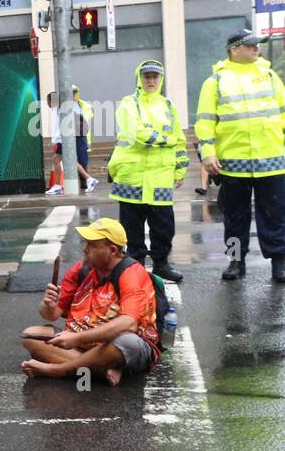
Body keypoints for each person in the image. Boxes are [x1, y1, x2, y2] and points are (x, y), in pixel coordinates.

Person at [20, 218, 161, 386]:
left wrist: (77, 338)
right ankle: (99, 369)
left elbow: (128, 323)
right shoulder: (80, 270)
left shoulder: (132, 273)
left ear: (113, 250)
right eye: (86, 243)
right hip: (83, 345)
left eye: (92, 245)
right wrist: (48, 304)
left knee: (129, 344)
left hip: (118, 347)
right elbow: (51, 315)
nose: (85, 249)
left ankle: (58, 370)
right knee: (30, 335)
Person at [195, 28, 285, 282]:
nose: (258, 49)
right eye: (252, 45)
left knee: (276, 215)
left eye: (258, 45)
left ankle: (279, 263)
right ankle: (236, 261)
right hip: (233, 163)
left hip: (272, 160)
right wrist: (208, 153)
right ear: (235, 49)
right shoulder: (215, 81)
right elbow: (205, 122)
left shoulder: (269, 76)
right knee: (235, 217)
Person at [107, 60, 187, 283]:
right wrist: (166, 141)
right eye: (146, 76)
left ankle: (161, 264)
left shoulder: (168, 106)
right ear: (139, 78)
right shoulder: (129, 103)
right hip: (132, 177)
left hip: (160, 178)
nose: (151, 80)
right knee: (132, 229)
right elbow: (137, 133)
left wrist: (180, 168)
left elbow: (179, 140)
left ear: (161, 79)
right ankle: (136, 267)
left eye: (155, 76)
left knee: (163, 227)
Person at [46, 86, 98, 195]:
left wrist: (59, 139)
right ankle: (88, 179)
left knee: (58, 160)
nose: (47, 104)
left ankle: (59, 185)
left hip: (63, 138)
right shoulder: (60, 108)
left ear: (53, 100)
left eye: (48, 101)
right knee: (67, 160)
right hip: (64, 138)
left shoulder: (61, 108)